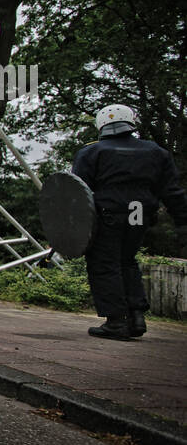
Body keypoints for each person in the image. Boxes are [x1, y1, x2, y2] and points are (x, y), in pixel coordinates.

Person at [73, 104, 187, 340]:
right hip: (140, 216)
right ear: (131, 122)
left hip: (108, 215)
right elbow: (172, 190)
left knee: (104, 264)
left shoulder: (92, 152)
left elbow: (77, 192)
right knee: (127, 261)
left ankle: (115, 321)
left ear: (101, 125)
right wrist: (183, 220)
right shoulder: (156, 152)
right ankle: (136, 316)